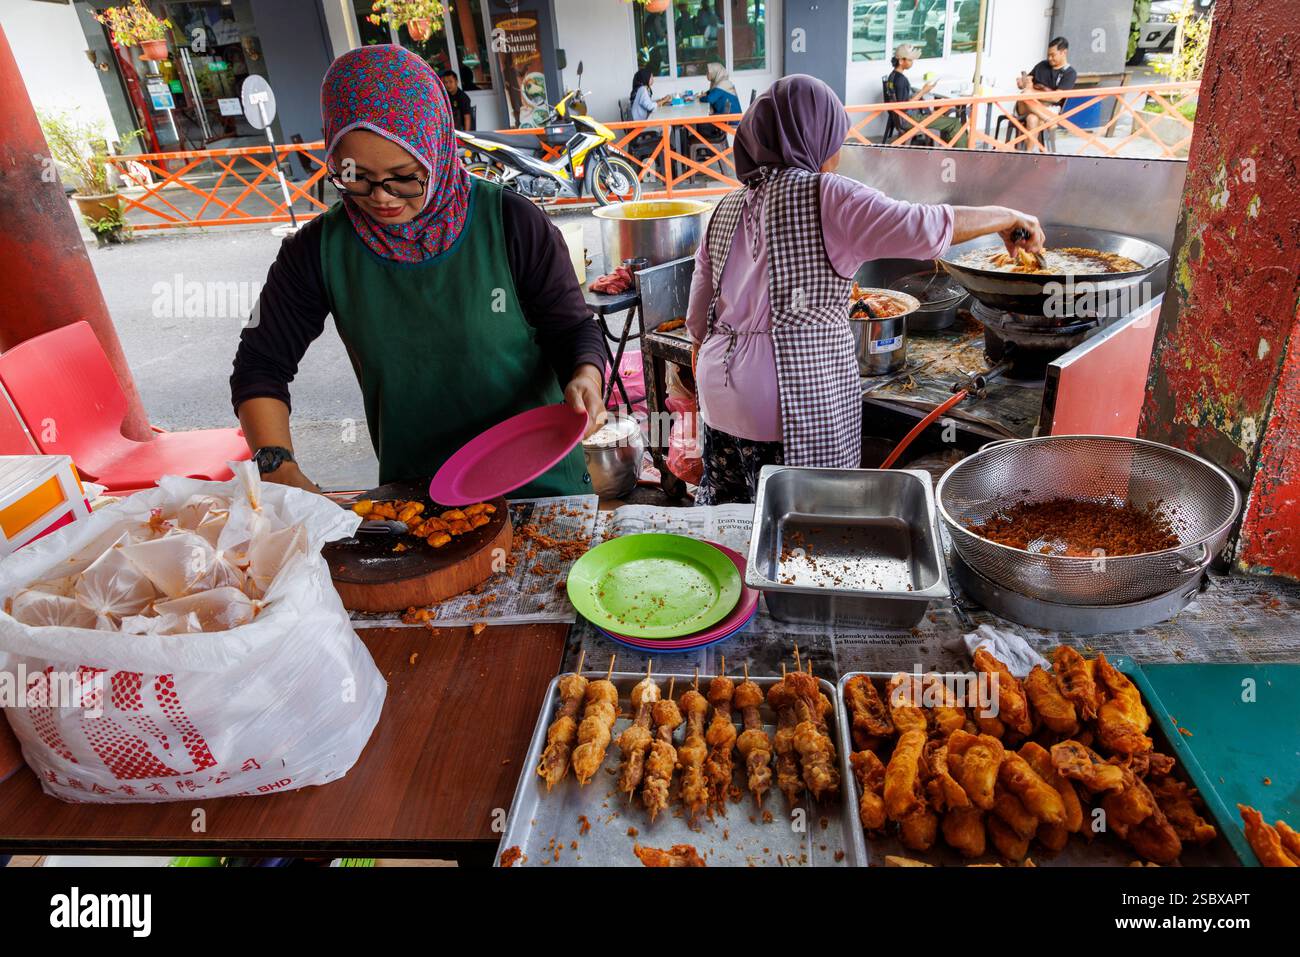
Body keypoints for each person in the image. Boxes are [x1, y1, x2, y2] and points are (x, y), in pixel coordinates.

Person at [230, 45, 606, 494]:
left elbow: (572, 330)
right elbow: (260, 363)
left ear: (438, 150)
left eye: (405, 175)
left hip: (540, 483)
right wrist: (275, 464)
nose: (382, 197)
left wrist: (585, 375)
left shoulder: (513, 223)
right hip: (418, 498)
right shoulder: (316, 252)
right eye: (356, 176)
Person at [684, 75, 1044, 505]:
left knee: (736, 522)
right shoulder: (827, 196)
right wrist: (1008, 217)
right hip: (789, 400)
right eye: (836, 136)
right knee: (805, 532)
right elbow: (924, 227)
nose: (838, 150)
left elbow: (697, 320)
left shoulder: (727, 205)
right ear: (812, 137)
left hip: (719, 393)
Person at [883, 43, 967, 147]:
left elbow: (900, 102)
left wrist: (922, 93)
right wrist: (923, 91)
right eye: (909, 60)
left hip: (901, 119)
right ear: (901, 61)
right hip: (909, 119)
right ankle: (963, 155)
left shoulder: (892, 76)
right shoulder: (901, 80)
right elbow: (904, 106)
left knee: (942, 118)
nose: (912, 63)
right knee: (954, 123)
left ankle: (950, 151)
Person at [1015, 36, 1077, 151]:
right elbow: (1028, 80)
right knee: (1025, 94)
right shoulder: (1042, 65)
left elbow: (1056, 98)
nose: (1049, 58)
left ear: (1064, 52)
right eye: (1048, 55)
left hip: (1050, 108)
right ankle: (1048, 120)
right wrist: (1022, 82)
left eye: (1053, 55)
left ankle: (1028, 154)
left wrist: (1032, 92)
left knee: (1032, 119)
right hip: (1028, 106)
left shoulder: (1070, 73)